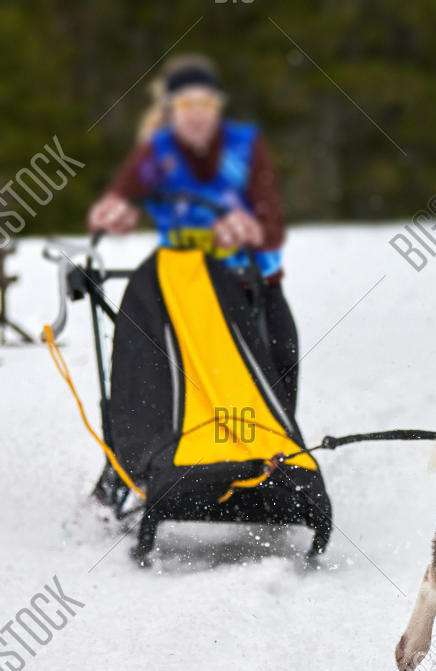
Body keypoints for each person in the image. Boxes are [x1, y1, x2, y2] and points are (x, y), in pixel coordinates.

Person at [87, 55, 300, 412]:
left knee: (281, 356)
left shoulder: (245, 147)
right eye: (187, 103)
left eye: (206, 102)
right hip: (187, 292)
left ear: (218, 106)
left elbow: (273, 229)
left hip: (254, 286)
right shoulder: (158, 154)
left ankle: (277, 445)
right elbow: (115, 204)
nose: (197, 112)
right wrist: (114, 215)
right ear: (171, 108)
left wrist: (252, 230)